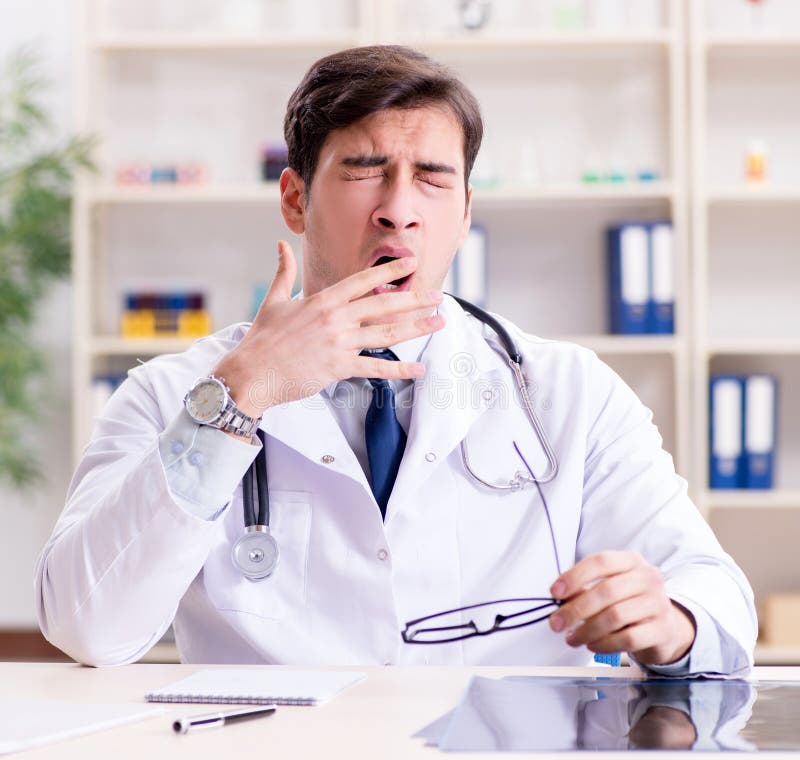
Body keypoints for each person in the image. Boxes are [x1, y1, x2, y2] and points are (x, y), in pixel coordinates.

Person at [35, 45, 756, 672]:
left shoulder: (569, 392)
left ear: (466, 211)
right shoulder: (175, 394)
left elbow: (714, 595)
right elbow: (86, 627)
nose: (399, 210)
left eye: (433, 178)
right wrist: (239, 398)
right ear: (294, 198)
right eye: (365, 169)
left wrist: (670, 622)